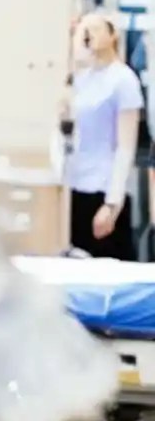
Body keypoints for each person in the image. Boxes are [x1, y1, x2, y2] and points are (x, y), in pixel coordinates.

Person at [64, 13, 142, 260]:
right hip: (77, 185)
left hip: (104, 188)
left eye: (96, 29)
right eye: (85, 30)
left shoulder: (124, 79)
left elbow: (125, 147)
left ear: (112, 34)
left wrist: (112, 203)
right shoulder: (82, 79)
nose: (90, 35)